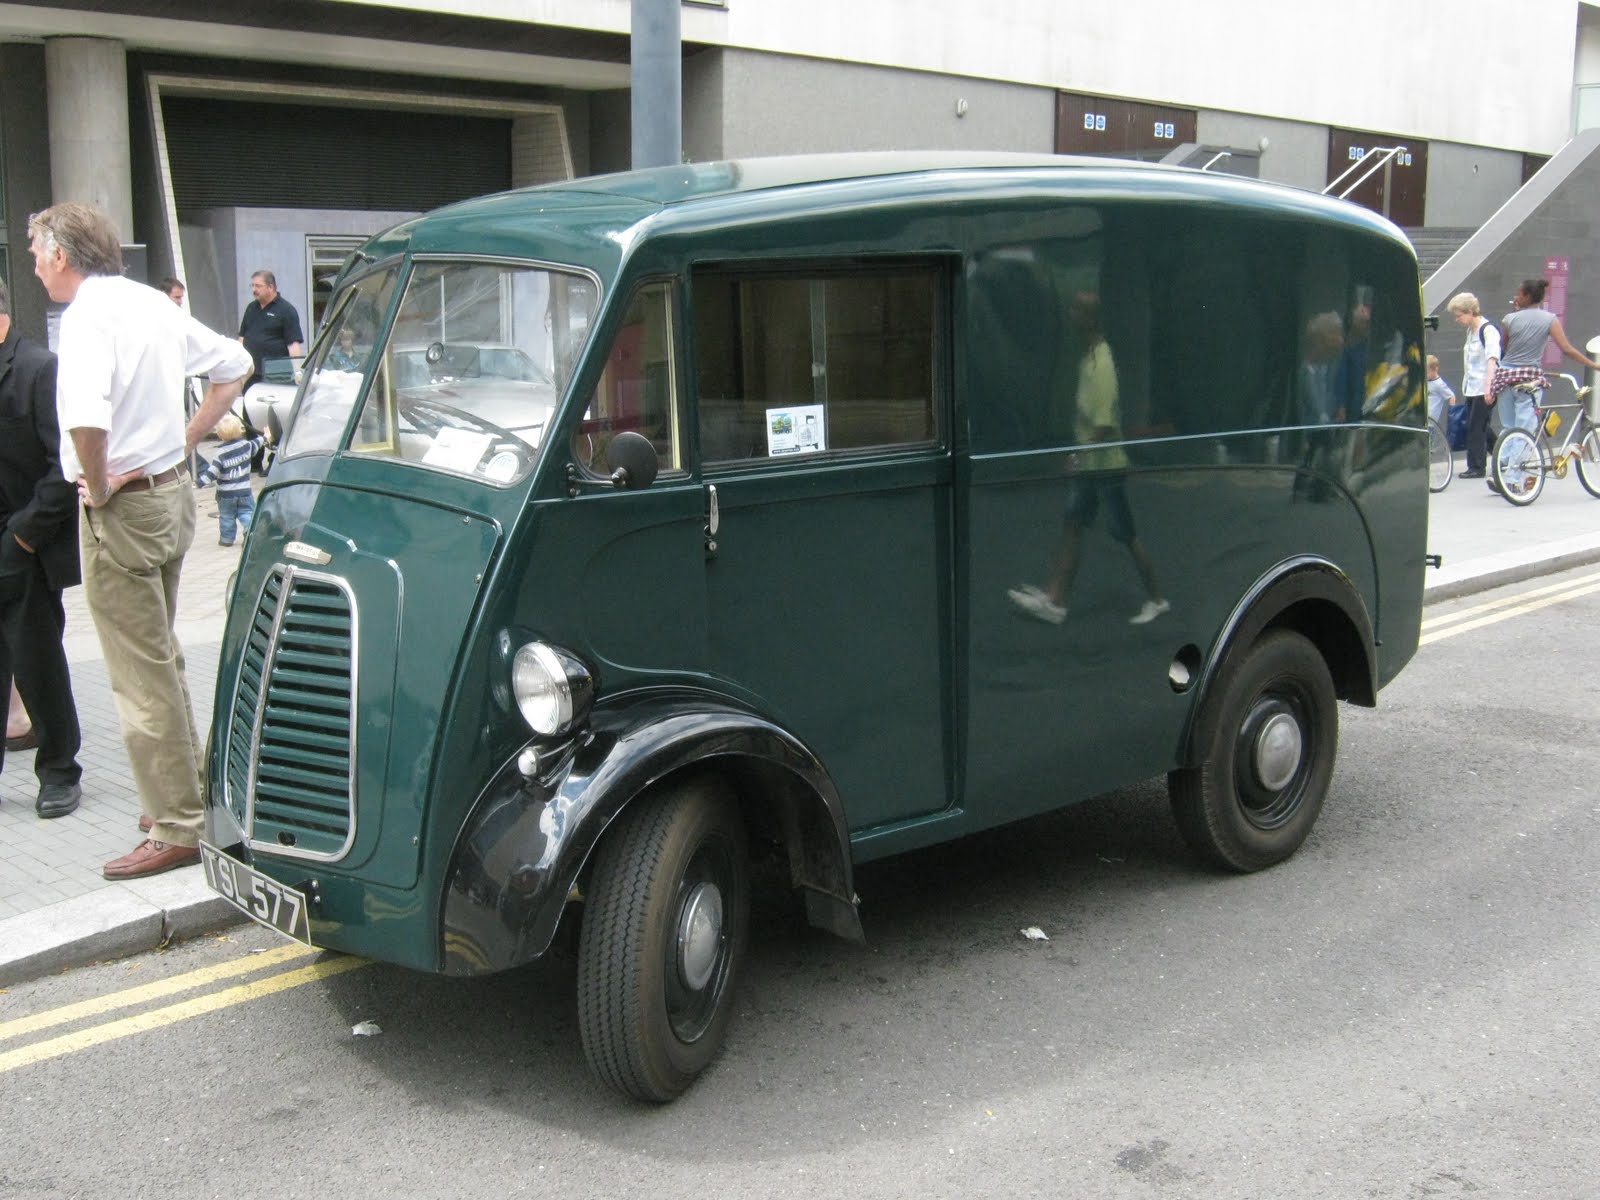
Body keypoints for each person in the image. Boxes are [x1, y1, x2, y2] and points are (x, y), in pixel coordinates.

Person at [28, 202, 254, 877]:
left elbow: (87, 423)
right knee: (162, 658)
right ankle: (185, 798)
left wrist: (95, 488)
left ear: (62, 255)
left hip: (124, 511)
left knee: (138, 674)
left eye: (39, 253)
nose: (36, 266)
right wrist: (180, 442)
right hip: (171, 499)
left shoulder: (88, 318)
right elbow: (235, 363)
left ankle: (179, 824)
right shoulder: (150, 304)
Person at [1007, 292, 1169, 626]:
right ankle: (1055, 599)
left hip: (1105, 467)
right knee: (1073, 524)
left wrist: (1078, 456)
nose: (1070, 315)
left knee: (1126, 534)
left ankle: (1157, 599)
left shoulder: (1101, 364)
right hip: (1092, 466)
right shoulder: (1089, 358)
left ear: (1089, 319)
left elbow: (1105, 425)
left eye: (1076, 311)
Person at [0, 273, 85, 818]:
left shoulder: (37, 368)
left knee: (36, 660)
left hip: (21, 542)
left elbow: (64, 466)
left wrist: (25, 536)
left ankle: (59, 771)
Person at [1490, 278, 1600, 495]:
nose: (1516, 297)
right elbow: (1567, 349)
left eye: (1519, 294)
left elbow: (1504, 347)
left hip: (1505, 376)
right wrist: (1593, 365)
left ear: (1527, 296)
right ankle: (1511, 478)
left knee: (1509, 428)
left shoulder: (1509, 319)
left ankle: (1501, 473)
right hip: (1529, 378)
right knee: (1525, 429)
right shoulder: (1550, 320)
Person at [1446, 292, 1500, 478]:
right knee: (1479, 425)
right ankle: (1502, 455)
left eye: (1459, 315)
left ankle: (1477, 467)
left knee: (1475, 427)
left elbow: (1492, 360)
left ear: (1470, 312)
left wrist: (1489, 387)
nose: (1457, 319)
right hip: (1471, 387)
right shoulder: (1471, 332)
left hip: (1483, 387)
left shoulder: (1488, 330)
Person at [196, 413, 270, 546]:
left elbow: (212, 472)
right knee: (247, 512)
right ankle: (249, 530)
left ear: (219, 434)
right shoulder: (246, 446)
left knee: (226, 517)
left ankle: (226, 539)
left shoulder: (220, 454)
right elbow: (258, 442)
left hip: (225, 494)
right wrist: (266, 437)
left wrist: (200, 483)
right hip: (244, 491)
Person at [237, 269, 304, 388]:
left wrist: (297, 371)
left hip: (275, 374)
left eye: (258, 286)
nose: (254, 290)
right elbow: (242, 337)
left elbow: (293, 344)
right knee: (249, 405)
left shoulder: (286, 310)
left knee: (272, 406)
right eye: (252, 286)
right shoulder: (251, 308)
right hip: (250, 372)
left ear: (271, 287)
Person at [1425, 354, 1457, 426]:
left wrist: (1451, 415)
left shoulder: (1439, 384)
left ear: (1435, 369)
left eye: (1427, 373)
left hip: (1430, 423)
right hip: (1422, 421)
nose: (1425, 375)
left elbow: (1452, 397)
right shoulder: (1425, 381)